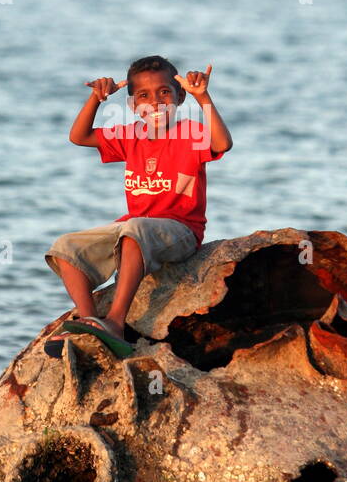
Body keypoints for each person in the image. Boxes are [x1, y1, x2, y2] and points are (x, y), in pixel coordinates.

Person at [44, 54, 232, 355]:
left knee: (133, 230)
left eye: (164, 93)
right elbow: (79, 136)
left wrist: (203, 97)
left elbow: (222, 144)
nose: (155, 102)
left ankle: (116, 322)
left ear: (179, 96)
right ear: (132, 105)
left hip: (181, 230)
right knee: (66, 248)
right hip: (135, 224)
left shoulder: (191, 133)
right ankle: (90, 320)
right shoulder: (132, 135)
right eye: (143, 96)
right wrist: (96, 99)